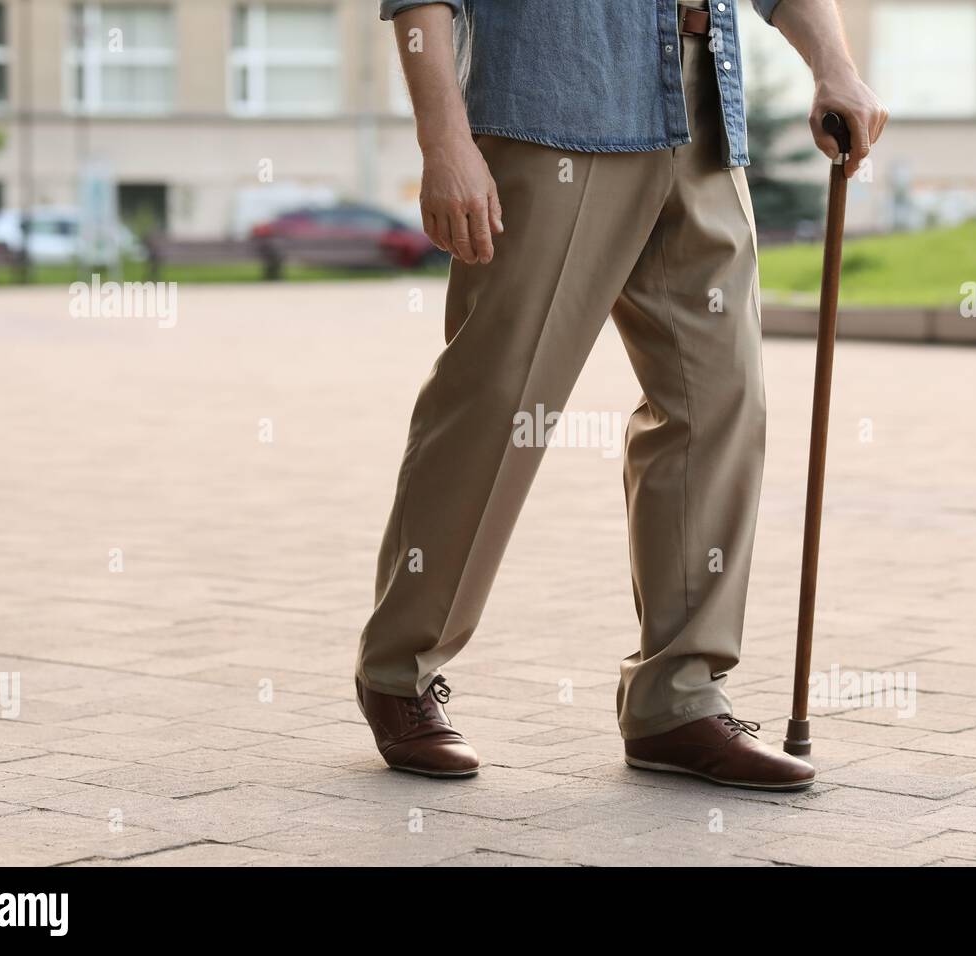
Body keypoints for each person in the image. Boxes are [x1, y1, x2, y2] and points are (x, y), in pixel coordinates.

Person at [356, 0, 888, 790]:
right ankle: (398, 670)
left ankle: (678, 700)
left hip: (702, 112)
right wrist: (444, 141)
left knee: (720, 400)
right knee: (501, 398)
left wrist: (834, 64)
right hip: (556, 107)